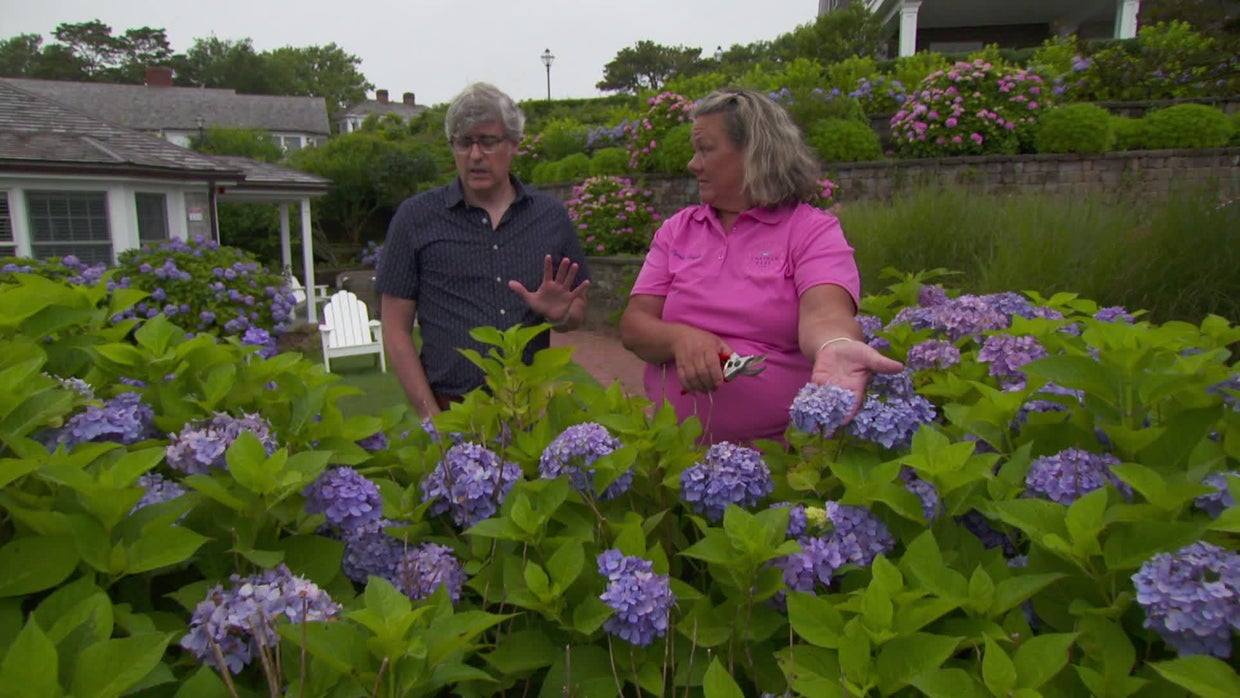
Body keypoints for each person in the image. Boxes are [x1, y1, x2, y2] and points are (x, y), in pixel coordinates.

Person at [619, 89, 903, 444]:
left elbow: (825, 314)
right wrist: (681, 339)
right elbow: (634, 325)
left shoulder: (810, 230)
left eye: (705, 149)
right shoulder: (678, 230)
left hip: (781, 467)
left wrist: (836, 344)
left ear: (754, 153)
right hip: (676, 458)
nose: (693, 163)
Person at [375, 82, 590, 418]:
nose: (475, 155)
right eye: (464, 143)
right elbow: (395, 327)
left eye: (488, 142)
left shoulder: (550, 217)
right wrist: (432, 420)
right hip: (452, 412)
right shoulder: (415, 218)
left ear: (515, 144)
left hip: (529, 414)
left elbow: (576, 312)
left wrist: (559, 314)